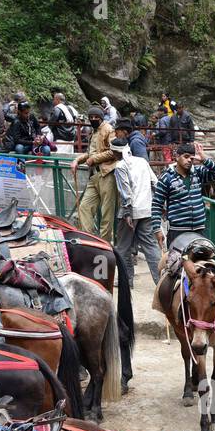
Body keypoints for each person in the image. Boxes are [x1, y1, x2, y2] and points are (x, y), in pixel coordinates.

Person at [110, 134, 161, 296]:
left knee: (123, 248)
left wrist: (127, 212)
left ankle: (127, 281)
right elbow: (155, 183)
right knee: (151, 246)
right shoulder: (142, 162)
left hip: (130, 213)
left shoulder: (120, 166)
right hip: (147, 210)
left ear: (115, 153)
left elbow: (125, 192)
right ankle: (161, 281)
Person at [151, 142, 215, 250]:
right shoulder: (166, 178)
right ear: (177, 157)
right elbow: (157, 204)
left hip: (199, 230)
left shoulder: (198, 173)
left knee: (201, 263)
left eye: (191, 158)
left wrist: (204, 159)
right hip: (177, 231)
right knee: (176, 264)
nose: (189, 160)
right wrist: (157, 229)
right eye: (186, 157)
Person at [72, 105, 118, 242]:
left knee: (106, 213)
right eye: (91, 117)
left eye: (96, 117)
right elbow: (90, 153)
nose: (93, 119)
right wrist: (77, 161)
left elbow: (114, 151)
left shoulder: (108, 129)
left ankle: (105, 244)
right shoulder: (94, 132)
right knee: (84, 207)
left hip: (107, 173)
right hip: (94, 175)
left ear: (101, 118)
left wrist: (94, 159)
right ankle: (89, 240)